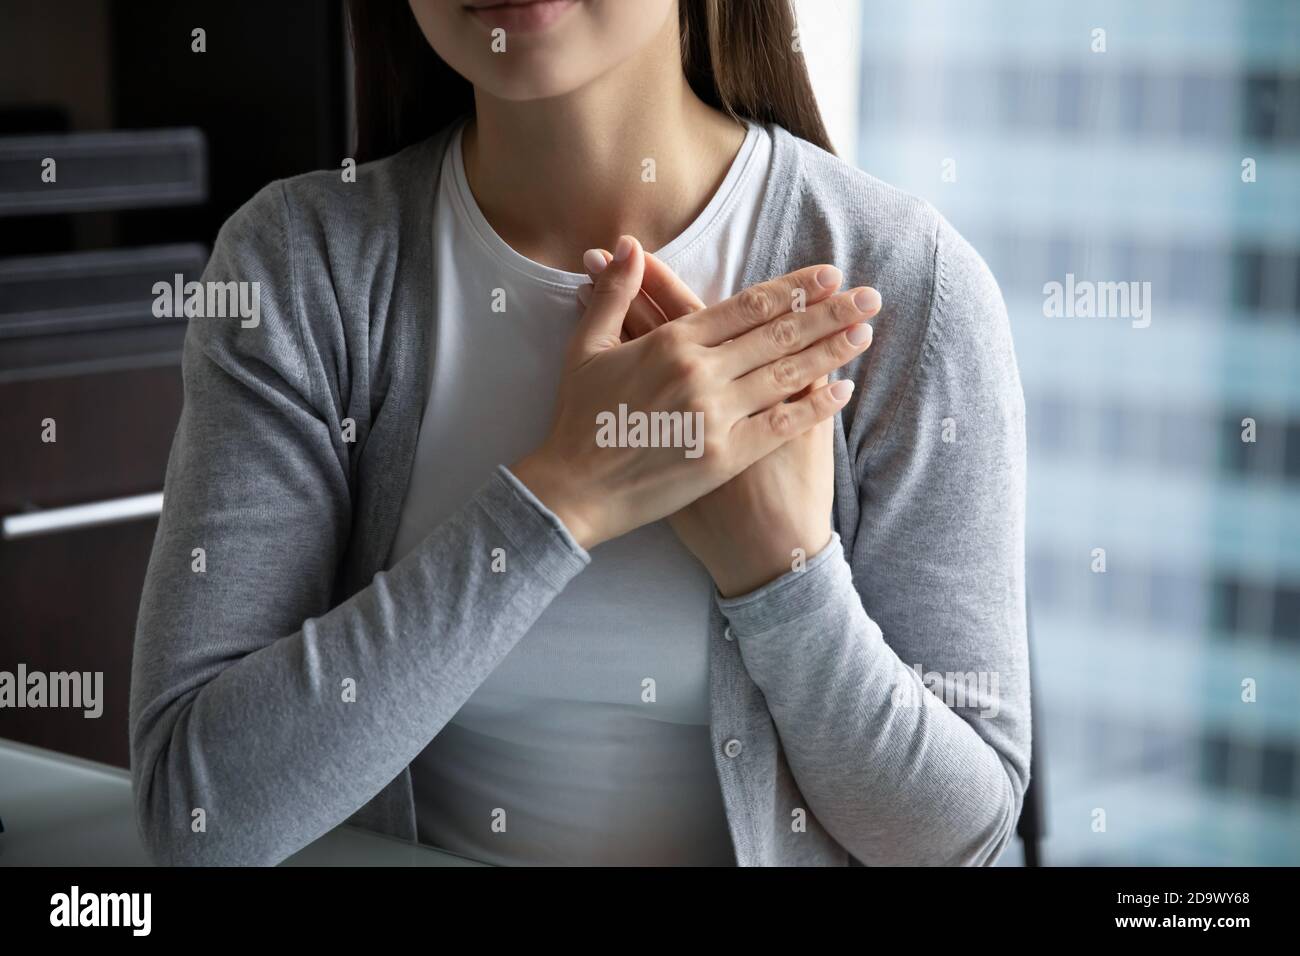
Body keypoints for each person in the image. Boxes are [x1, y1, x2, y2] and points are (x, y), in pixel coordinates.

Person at [130, 0, 1030, 866]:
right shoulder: (299, 267)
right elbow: (196, 814)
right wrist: (563, 497)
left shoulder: (908, 286)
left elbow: (953, 841)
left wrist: (782, 577)